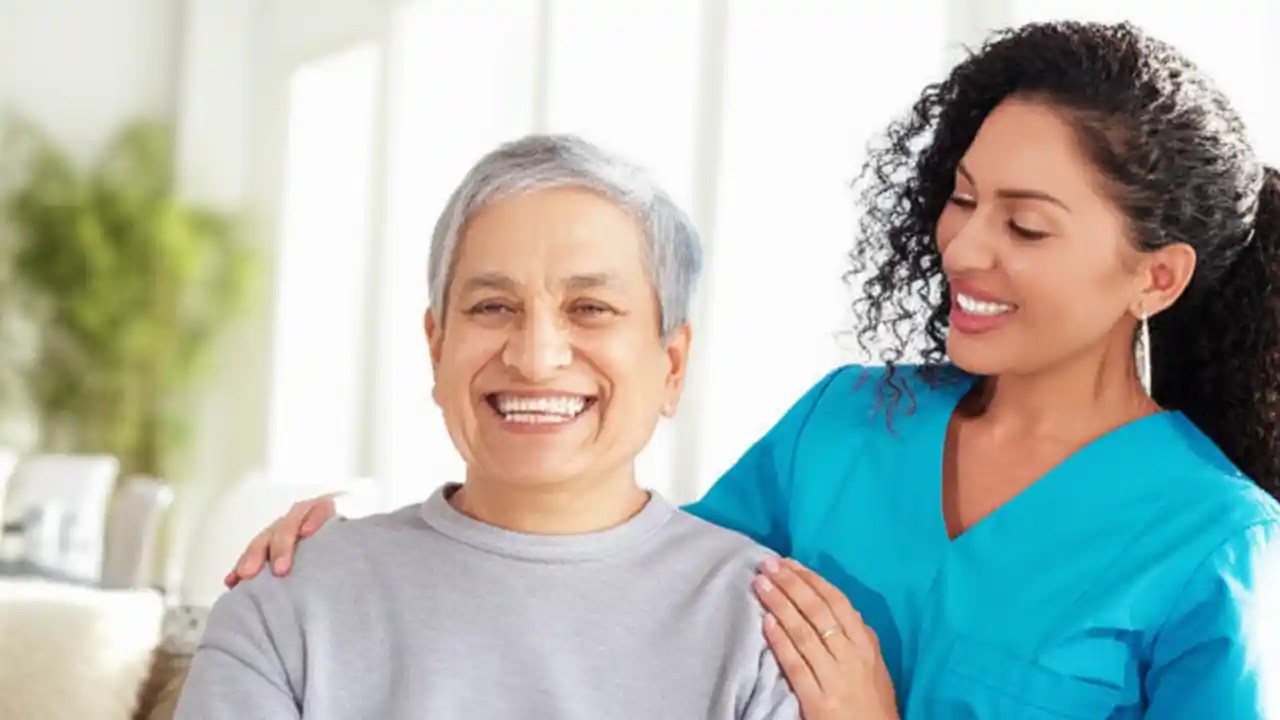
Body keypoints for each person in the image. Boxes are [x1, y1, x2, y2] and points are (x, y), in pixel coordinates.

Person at [227, 21, 1280, 718]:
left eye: (1025, 224)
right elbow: (601, 559)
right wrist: (364, 541)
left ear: (1155, 276)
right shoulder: (851, 425)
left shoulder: (1211, 540)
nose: (962, 248)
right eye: (960, 199)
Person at [177, 135, 802, 719]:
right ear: (437, 347)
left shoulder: (765, 628)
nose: (535, 357)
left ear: (672, 366)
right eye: (494, 307)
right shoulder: (289, 606)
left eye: (590, 309)